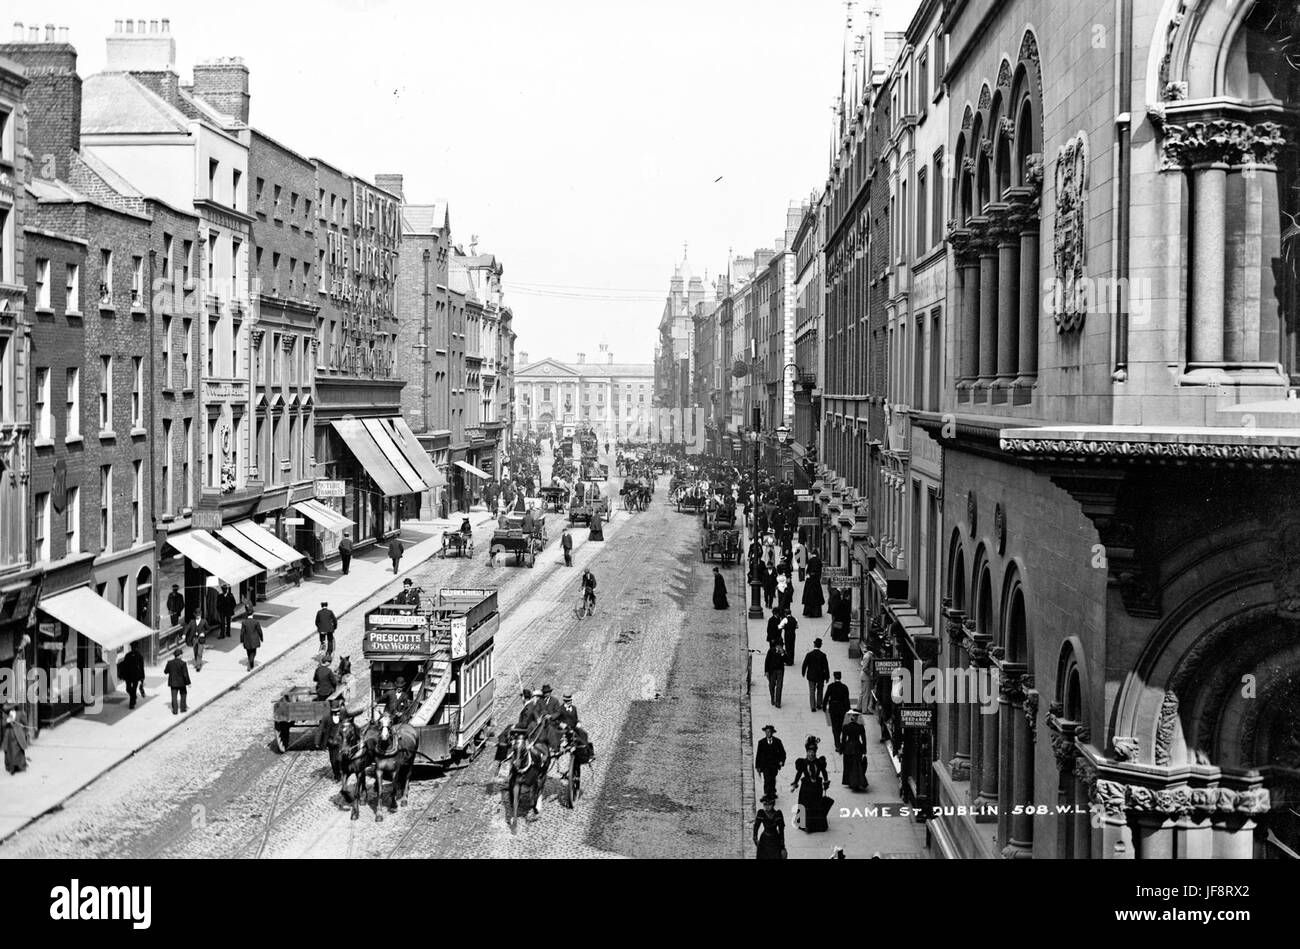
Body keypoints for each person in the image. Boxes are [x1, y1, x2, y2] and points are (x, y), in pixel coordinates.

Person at [792, 736, 830, 833]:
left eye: (813, 752)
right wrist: (795, 783)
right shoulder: (803, 762)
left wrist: (826, 781)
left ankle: (816, 825)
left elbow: (824, 772)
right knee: (806, 805)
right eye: (809, 752)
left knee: (816, 805)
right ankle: (805, 825)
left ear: (815, 753)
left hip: (816, 786)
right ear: (807, 752)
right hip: (806, 786)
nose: (811, 754)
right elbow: (799, 773)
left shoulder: (819, 762)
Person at [753, 725, 786, 801]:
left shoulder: (777, 741)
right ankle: (767, 794)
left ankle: (772, 792)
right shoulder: (761, 742)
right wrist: (758, 766)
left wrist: (781, 761)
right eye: (766, 732)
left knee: (772, 779)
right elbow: (758, 755)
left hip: (774, 765)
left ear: (772, 733)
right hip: (765, 765)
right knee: (767, 779)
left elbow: (783, 753)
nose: (768, 733)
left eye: (769, 732)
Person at [840, 709, 869, 791]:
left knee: (848, 765)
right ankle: (857, 781)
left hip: (848, 747)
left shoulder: (846, 727)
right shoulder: (860, 727)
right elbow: (864, 739)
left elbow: (843, 739)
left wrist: (842, 748)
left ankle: (849, 781)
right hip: (857, 747)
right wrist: (864, 749)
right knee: (857, 765)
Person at [824, 671, 852, 752]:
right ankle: (841, 741)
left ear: (834, 677)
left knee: (835, 727)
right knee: (841, 725)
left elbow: (826, 697)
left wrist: (824, 706)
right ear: (840, 677)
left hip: (833, 709)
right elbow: (847, 700)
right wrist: (848, 709)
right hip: (842, 709)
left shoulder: (830, 686)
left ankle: (837, 743)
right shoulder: (844, 687)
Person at [753, 795, 786, 860]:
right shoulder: (761, 813)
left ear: (773, 805)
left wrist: (782, 846)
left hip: (775, 840)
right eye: (765, 804)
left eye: (769, 804)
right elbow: (756, 826)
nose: (767, 807)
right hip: (764, 840)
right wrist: (755, 838)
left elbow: (781, 831)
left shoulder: (778, 814)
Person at [801, 638, 830, 712]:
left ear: (814, 645)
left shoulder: (809, 654)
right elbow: (826, 667)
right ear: (820, 646)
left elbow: (805, 664)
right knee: (820, 690)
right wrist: (827, 676)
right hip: (820, 676)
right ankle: (819, 704)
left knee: (812, 690)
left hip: (811, 675)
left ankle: (813, 706)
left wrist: (803, 672)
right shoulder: (823, 655)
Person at [2, 704, 30, 774]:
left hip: (18, 734)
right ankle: (11, 767)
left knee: (18, 750)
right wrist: (7, 721)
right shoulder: (5, 715)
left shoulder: (20, 713)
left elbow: (25, 723)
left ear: (15, 707)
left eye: (12, 708)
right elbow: (2, 724)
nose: (10, 709)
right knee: (9, 751)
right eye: (9, 708)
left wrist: (25, 733)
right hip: (9, 735)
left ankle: (20, 766)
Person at [164, 648, 190, 715]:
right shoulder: (183, 663)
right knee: (183, 695)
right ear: (179, 655)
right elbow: (185, 674)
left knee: (174, 697)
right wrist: (188, 683)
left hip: (173, 683)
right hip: (182, 683)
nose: (182, 655)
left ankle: (175, 711)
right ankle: (183, 709)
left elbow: (165, 671)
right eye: (182, 654)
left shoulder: (170, 662)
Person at [121, 642, 146, 709]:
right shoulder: (128, 655)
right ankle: (134, 697)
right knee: (128, 689)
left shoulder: (139, 656)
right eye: (133, 647)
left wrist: (142, 677)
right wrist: (123, 675)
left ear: (137, 648)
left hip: (136, 676)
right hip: (128, 676)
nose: (134, 648)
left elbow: (141, 667)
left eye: (135, 647)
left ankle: (131, 704)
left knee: (134, 689)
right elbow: (124, 666)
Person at [764, 642, 786, 708]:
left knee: (779, 686)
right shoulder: (771, 651)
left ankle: (778, 702)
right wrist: (766, 671)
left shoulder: (783, 652)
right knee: (771, 685)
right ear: (777, 645)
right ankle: (772, 698)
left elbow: (787, 660)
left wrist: (782, 654)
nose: (781, 647)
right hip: (772, 671)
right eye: (780, 646)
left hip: (780, 670)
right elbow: (767, 661)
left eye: (782, 646)